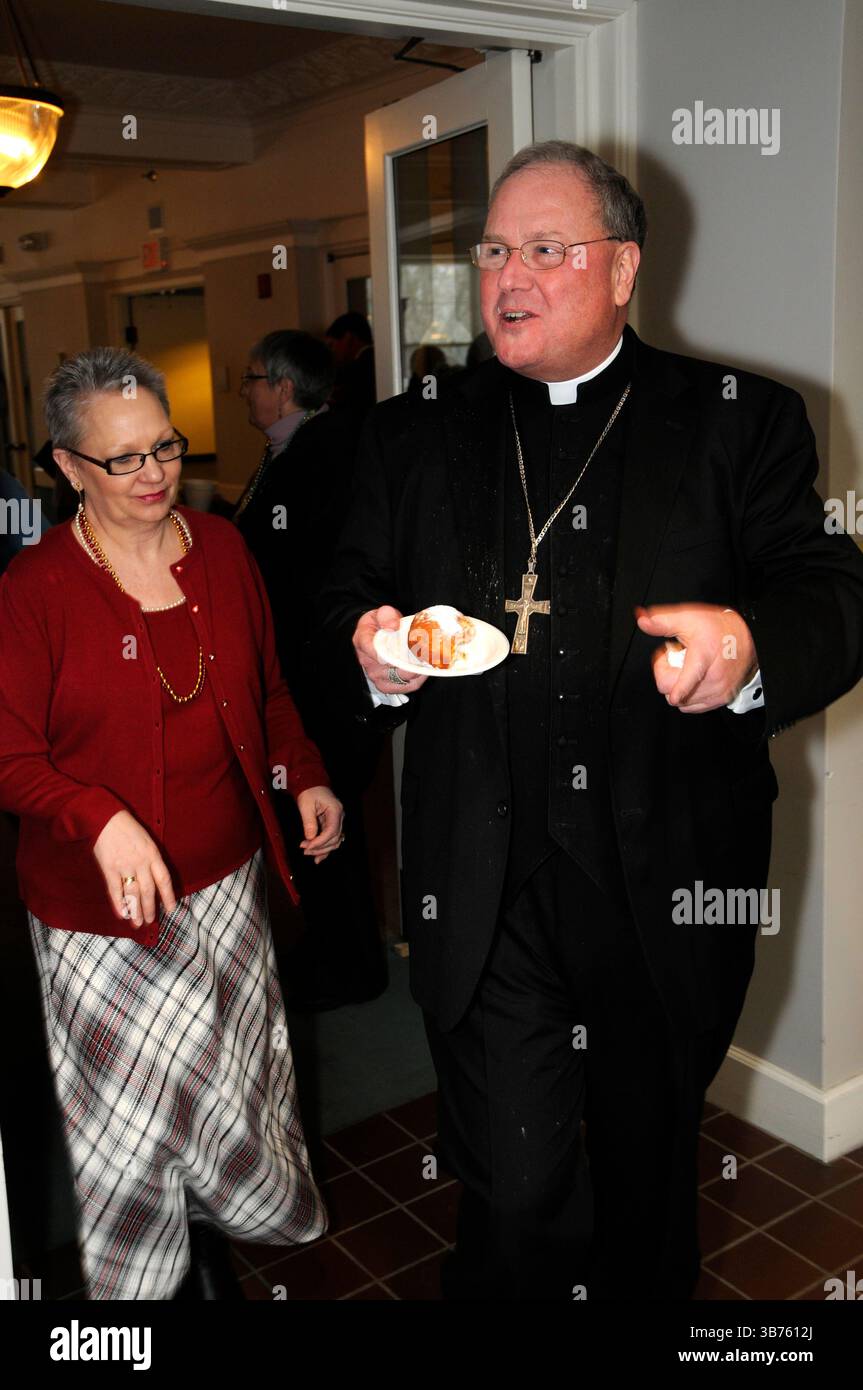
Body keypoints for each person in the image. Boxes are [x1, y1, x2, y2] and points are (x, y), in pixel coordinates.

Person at [317, 140, 863, 1301]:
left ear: (620, 269)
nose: (508, 274)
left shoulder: (739, 421)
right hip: (483, 878)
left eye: (545, 250)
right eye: (493, 251)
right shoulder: (411, 432)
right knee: (512, 1190)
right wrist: (367, 647)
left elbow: (832, 593)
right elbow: (333, 595)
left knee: (647, 1175)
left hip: (663, 877)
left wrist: (749, 645)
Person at [0, 347, 344, 1300]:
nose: (153, 475)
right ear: (68, 468)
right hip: (95, 917)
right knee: (128, 1127)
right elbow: (9, 754)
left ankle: (213, 1250)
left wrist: (302, 772)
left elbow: (269, 691)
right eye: (122, 459)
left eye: (164, 448)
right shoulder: (35, 590)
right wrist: (96, 817)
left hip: (225, 882)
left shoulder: (224, 548)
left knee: (229, 1093)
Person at [236, 330, 386, 1009]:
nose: (245, 390)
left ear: (285, 389)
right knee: (319, 819)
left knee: (324, 819)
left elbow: (295, 569)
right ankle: (337, 957)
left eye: (253, 378)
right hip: (306, 673)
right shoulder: (293, 451)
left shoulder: (324, 454)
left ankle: (347, 967)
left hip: (320, 677)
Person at [325, 311, 376, 417]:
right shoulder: (374, 359)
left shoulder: (357, 370)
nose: (331, 352)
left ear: (349, 338)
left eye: (331, 345)